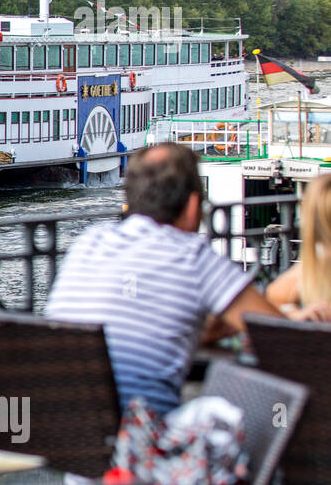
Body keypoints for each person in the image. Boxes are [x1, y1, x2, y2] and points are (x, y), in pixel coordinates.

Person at [47, 142, 284, 415]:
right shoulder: (192, 256)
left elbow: (142, 320)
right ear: (194, 205)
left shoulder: (89, 242)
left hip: (59, 428)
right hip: (142, 443)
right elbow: (281, 337)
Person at [264, 173, 331, 321]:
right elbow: (273, 297)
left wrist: (292, 313)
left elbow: (271, 298)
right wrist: (293, 312)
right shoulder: (319, 262)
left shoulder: (317, 262)